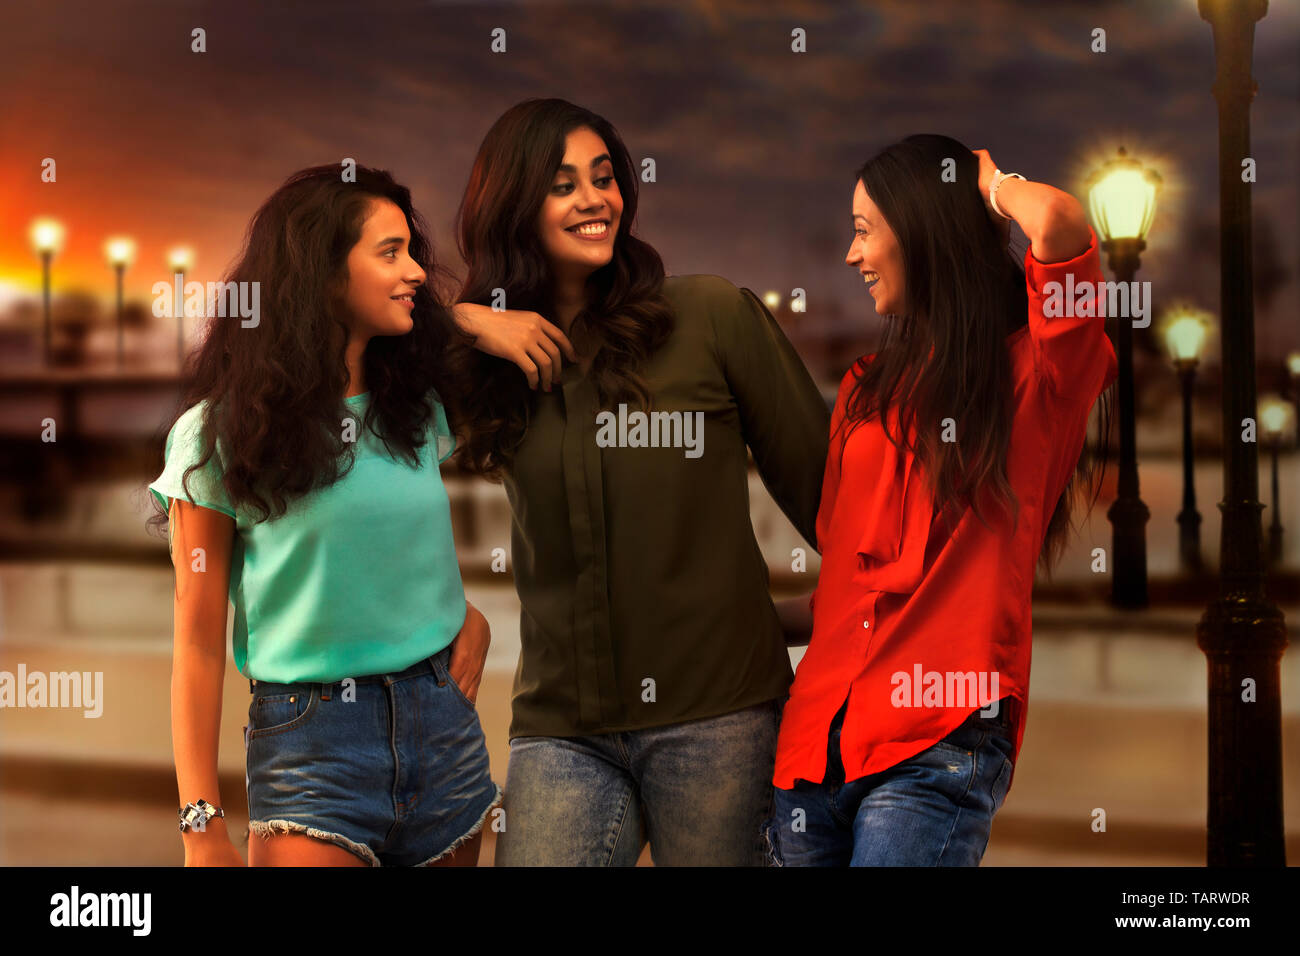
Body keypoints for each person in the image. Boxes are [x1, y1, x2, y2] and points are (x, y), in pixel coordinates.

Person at [448, 98, 830, 865]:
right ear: (512, 206)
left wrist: (777, 619)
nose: (596, 198)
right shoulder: (490, 366)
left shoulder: (711, 317)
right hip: (561, 727)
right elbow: (337, 353)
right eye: (563, 184)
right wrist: (469, 321)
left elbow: (845, 508)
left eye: (604, 176)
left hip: (720, 720)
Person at [761, 135, 1117, 866]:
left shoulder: (1040, 373)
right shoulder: (864, 391)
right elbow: (847, 595)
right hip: (811, 750)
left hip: (936, 744)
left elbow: (1059, 224)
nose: (851, 257)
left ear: (922, 230)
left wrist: (992, 187)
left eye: (864, 231)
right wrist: (730, 621)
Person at [146, 164, 501, 867]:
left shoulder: (418, 408)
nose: (417, 275)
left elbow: (394, 542)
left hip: (444, 729)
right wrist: (199, 823)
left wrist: (461, 610)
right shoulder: (216, 436)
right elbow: (195, 640)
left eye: (413, 253)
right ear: (322, 272)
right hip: (310, 745)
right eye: (389, 252)